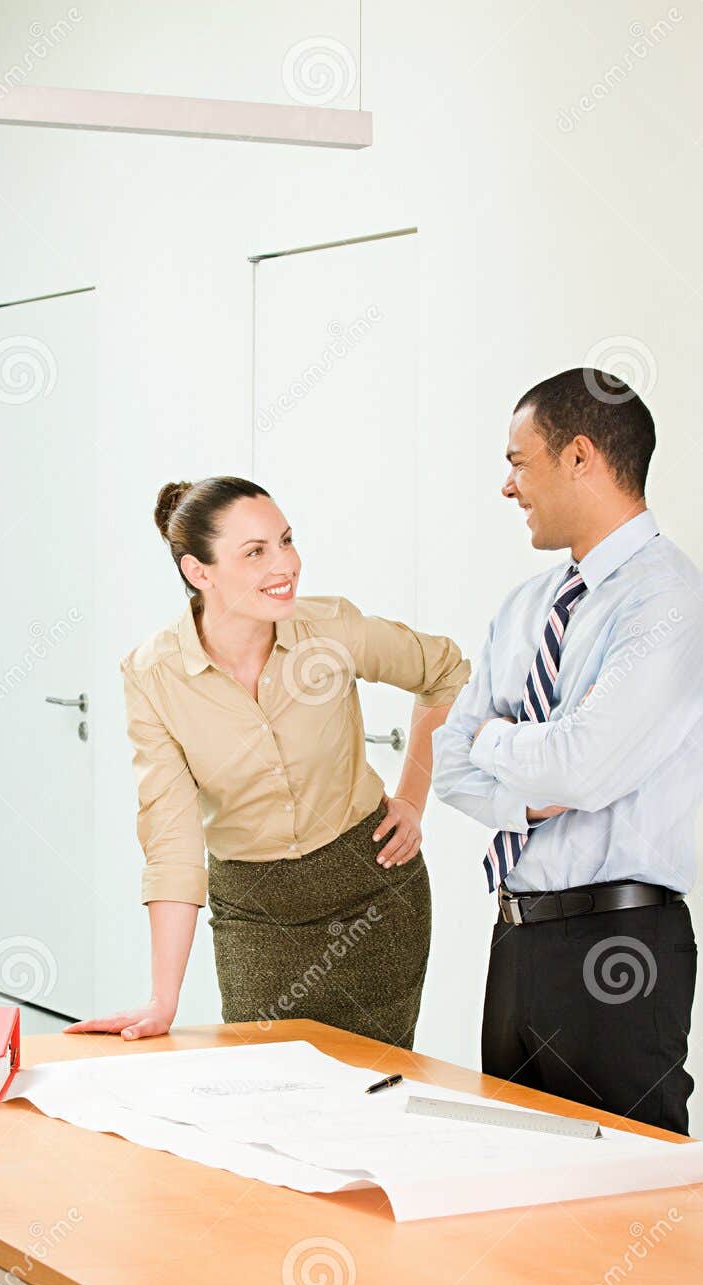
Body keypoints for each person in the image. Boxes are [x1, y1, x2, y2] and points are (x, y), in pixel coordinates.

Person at [68, 476, 469, 1047]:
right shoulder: (154, 675)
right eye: (256, 552)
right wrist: (163, 1000)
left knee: (372, 1103)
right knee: (267, 1096)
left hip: (374, 895)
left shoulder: (328, 628)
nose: (286, 564)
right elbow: (172, 840)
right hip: (258, 915)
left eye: (286, 540)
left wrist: (411, 796)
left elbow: (446, 672)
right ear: (198, 572)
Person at [432, 368, 702, 1134]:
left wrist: (495, 738)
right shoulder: (525, 607)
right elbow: (450, 765)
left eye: (518, 461)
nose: (507, 487)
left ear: (579, 455)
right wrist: (529, 782)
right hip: (515, 939)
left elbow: (578, 769)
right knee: (515, 1179)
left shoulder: (668, 600)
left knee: (628, 1192)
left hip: (617, 948)